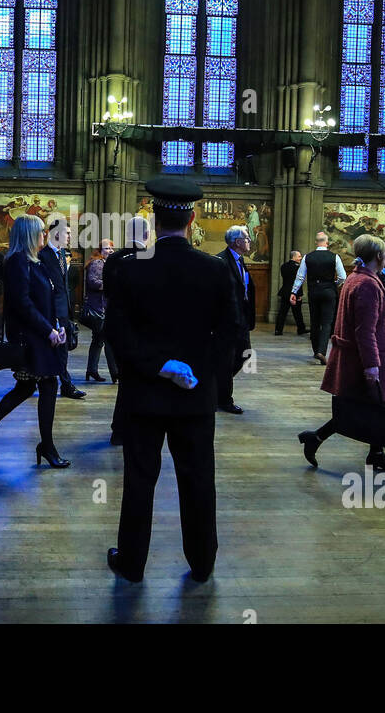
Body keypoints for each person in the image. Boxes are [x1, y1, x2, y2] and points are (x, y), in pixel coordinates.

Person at [106, 177, 236, 583]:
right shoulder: (215, 269)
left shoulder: (130, 270)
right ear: (192, 219)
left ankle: (131, 562)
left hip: (143, 397)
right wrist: (200, 376)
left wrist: (159, 366)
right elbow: (233, 335)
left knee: (140, 480)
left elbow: (118, 337)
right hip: (195, 401)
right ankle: (202, 562)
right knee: (198, 479)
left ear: (154, 219)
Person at [0, 214, 71, 468]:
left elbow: (46, 298)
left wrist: (56, 326)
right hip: (30, 337)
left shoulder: (35, 261)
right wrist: (48, 331)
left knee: (28, 388)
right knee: (47, 385)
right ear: (29, 234)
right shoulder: (17, 262)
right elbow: (23, 304)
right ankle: (46, 446)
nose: (45, 235)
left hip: (40, 334)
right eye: (41, 231)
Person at [297, 235, 385, 474]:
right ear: (378, 256)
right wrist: (371, 365)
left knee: (365, 408)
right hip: (365, 358)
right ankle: (318, 438)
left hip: (360, 356)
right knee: (369, 408)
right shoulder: (366, 283)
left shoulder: (358, 277)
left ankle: (373, 453)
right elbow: (365, 329)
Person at [104, 216, 150, 446]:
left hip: (114, 328)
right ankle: (125, 427)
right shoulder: (150, 258)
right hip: (139, 330)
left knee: (125, 379)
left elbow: (107, 295)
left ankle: (120, 428)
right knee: (136, 381)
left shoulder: (112, 258)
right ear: (146, 234)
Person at [40, 215, 86, 400]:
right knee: (59, 351)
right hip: (52, 312)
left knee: (63, 350)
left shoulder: (61, 254)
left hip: (64, 310)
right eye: (67, 233)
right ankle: (66, 385)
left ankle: (62, 384)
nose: (69, 237)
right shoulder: (43, 256)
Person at [216, 225, 256, 414]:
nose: (249, 241)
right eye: (247, 238)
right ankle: (224, 399)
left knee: (245, 355)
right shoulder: (221, 261)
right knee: (226, 360)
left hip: (242, 319)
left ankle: (216, 386)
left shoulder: (240, 260)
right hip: (227, 321)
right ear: (236, 242)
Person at [291, 231, 346, 363]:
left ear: (316, 242)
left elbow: (300, 276)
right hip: (329, 291)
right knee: (327, 323)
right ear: (327, 243)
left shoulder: (307, 257)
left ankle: (316, 351)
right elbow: (343, 277)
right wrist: (334, 284)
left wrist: (293, 292)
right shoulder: (335, 257)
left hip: (314, 291)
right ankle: (322, 351)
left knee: (314, 322)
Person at [83, 239, 118, 383]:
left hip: (101, 308)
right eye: (106, 249)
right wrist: (110, 284)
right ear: (100, 250)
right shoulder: (98, 263)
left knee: (98, 341)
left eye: (111, 248)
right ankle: (115, 373)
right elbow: (92, 282)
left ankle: (91, 370)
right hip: (98, 308)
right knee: (108, 340)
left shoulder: (105, 263)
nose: (110, 251)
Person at [275, 250, 308, 336]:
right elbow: (298, 282)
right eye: (299, 256)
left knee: (282, 312)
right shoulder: (298, 268)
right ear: (294, 257)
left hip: (285, 292)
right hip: (295, 292)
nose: (300, 258)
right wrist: (299, 294)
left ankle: (278, 330)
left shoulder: (283, 266)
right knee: (297, 313)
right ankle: (301, 329)